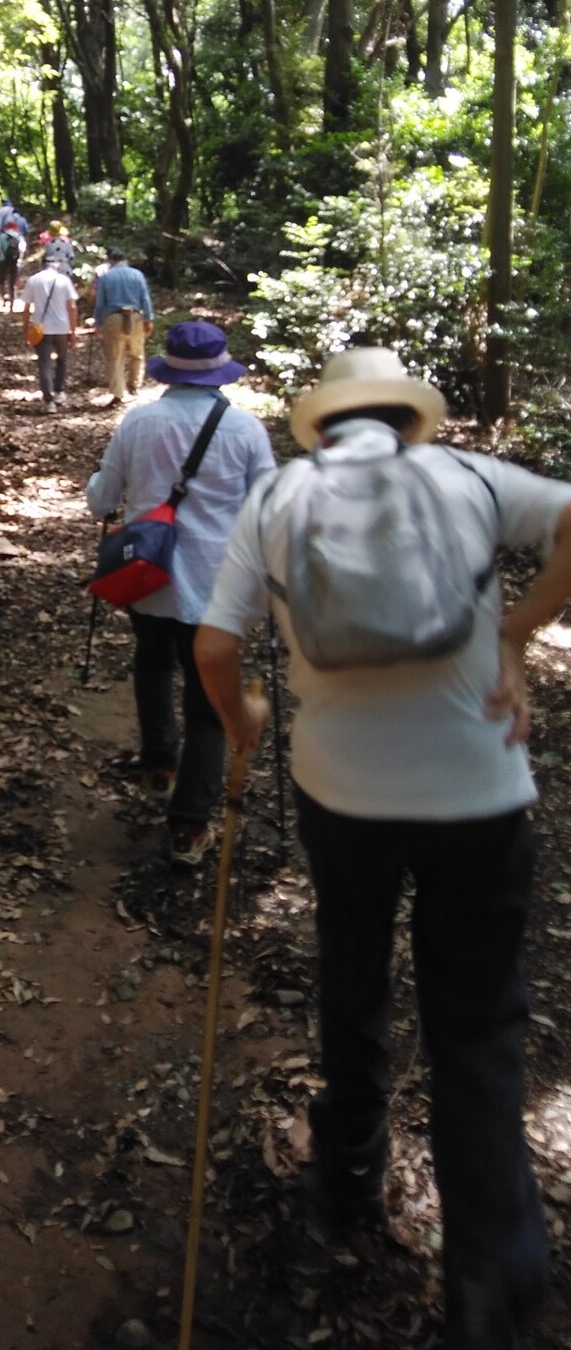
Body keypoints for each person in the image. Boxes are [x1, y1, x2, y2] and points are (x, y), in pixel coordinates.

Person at [194, 347, 571, 1350]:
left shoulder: (278, 497)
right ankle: (488, 1272)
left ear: (322, 425)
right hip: (480, 795)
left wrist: (240, 724)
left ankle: (350, 1170)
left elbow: (215, 646)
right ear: (408, 420)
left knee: (353, 971)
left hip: (341, 796)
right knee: (477, 1026)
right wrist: (514, 633)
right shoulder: (472, 479)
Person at [86, 322, 275, 865]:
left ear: (169, 368)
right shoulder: (245, 429)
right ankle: (189, 827)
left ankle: (159, 765)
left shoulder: (139, 422)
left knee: (152, 662)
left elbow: (101, 500)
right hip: (218, 583)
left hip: (149, 573)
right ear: (220, 371)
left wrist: (105, 489)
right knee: (209, 701)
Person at [93, 244, 154, 404]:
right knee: (137, 353)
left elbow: (100, 303)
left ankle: (118, 393)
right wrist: (148, 319)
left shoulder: (106, 277)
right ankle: (134, 385)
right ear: (125, 260)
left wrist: (98, 322)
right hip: (135, 316)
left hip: (113, 318)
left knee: (114, 357)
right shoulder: (137, 275)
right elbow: (145, 298)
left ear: (110, 260)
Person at [22, 254, 78, 410]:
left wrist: (25, 330)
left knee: (44, 363)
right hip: (62, 328)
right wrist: (73, 331)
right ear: (57, 266)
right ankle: (59, 391)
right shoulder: (64, 280)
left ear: (42, 265)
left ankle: (49, 401)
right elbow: (72, 307)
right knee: (62, 359)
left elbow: (26, 308)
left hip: (41, 328)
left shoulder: (33, 280)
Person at [0, 217, 23, 311]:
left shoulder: (2, 236)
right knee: (12, 283)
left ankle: (4, 297)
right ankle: (12, 303)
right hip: (14, 261)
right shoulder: (19, 236)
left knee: (1, 281)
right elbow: (22, 249)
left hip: (3, 260)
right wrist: (19, 260)